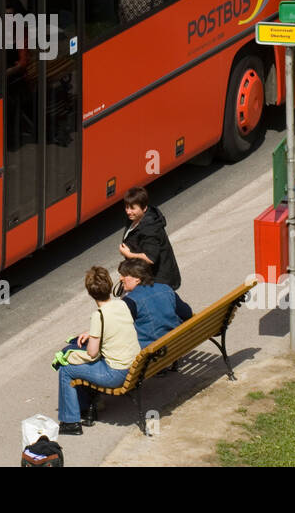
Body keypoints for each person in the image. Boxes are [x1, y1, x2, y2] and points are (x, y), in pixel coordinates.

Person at [54, 266, 139, 435]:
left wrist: (71, 356)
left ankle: (70, 421)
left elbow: (92, 354)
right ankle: (85, 408)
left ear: (90, 293)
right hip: (135, 366)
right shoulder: (123, 304)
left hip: (117, 374)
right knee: (83, 366)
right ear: (109, 284)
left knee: (66, 369)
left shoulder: (98, 316)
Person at [117, 260, 192, 348]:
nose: (120, 278)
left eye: (124, 275)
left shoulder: (130, 301)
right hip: (175, 342)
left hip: (152, 351)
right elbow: (187, 314)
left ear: (137, 278)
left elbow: (121, 331)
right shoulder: (165, 288)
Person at [118, 186, 181, 290]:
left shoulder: (150, 229)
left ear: (144, 208)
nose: (128, 211)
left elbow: (150, 258)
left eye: (132, 208)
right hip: (147, 278)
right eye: (127, 207)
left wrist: (128, 254)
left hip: (159, 283)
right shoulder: (135, 218)